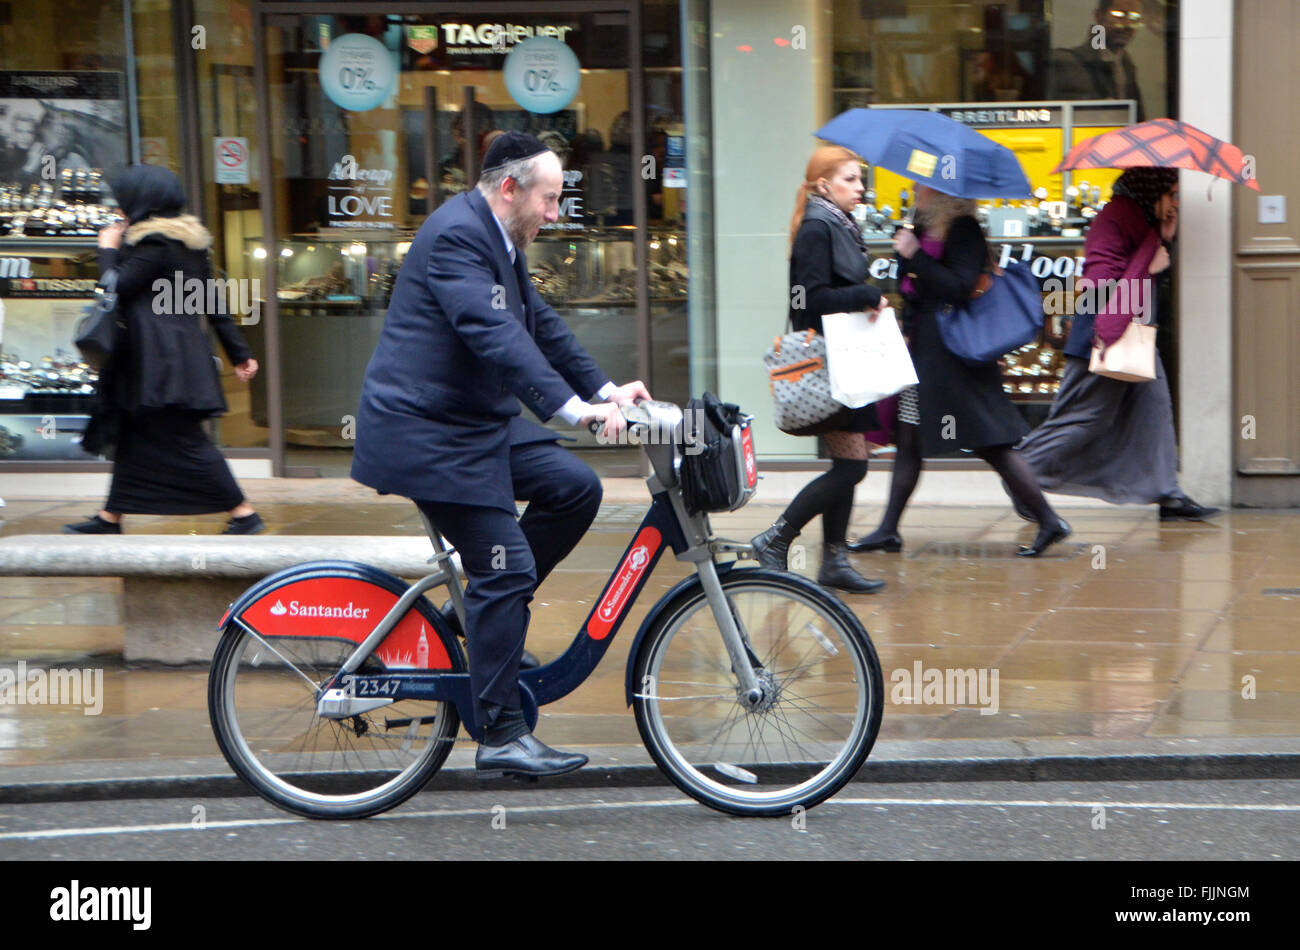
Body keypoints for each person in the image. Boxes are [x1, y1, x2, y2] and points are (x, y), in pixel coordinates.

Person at [351, 132, 650, 780]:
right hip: (426, 434)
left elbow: (540, 326)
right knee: (506, 564)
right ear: (510, 189)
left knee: (574, 488)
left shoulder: (501, 239)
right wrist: (573, 412)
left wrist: (604, 390)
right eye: (549, 198)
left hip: (471, 426)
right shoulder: (458, 236)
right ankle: (503, 733)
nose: (555, 212)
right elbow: (492, 335)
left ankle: (485, 623)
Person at [848, 184, 1071, 557]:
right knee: (909, 439)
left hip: (954, 354)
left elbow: (959, 286)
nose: (915, 190)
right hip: (926, 349)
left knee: (991, 442)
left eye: (923, 186)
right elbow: (913, 286)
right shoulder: (921, 227)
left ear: (942, 192)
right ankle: (888, 529)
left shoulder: (964, 229)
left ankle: (1050, 520)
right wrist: (908, 256)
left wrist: (916, 256)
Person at [63, 166, 262, 536]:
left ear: (142, 202)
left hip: (159, 363)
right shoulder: (187, 244)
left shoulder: (155, 244)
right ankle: (111, 517)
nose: (119, 209)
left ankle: (244, 513)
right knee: (135, 434)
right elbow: (212, 303)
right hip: (169, 359)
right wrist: (239, 353)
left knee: (183, 438)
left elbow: (116, 287)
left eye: (123, 201)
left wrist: (107, 250)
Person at [1013, 167, 1217, 521]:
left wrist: (1163, 238)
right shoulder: (1115, 217)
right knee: (1085, 417)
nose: (1175, 203)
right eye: (1171, 195)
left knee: (1154, 413)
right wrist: (1151, 262)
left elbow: (1139, 265)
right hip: (1104, 336)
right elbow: (1100, 284)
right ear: (1150, 192)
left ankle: (1168, 496)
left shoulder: (1140, 218)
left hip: (1134, 334)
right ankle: (1019, 472)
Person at [750, 146, 887, 593]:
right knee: (851, 468)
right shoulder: (817, 227)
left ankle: (834, 561)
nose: (860, 188)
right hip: (832, 366)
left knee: (847, 464)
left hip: (848, 360)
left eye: (860, 179)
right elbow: (807, 301)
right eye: (851, 179)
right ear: (825, 184)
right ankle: (777, 537)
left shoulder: (837, 224)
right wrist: (864, 297)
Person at [1048, 0, 1146, 121]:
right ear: (1099, 16)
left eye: (1134, 18)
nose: (1127, 24)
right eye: (1118, 15)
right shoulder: (1065, 64)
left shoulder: (1127, 66)